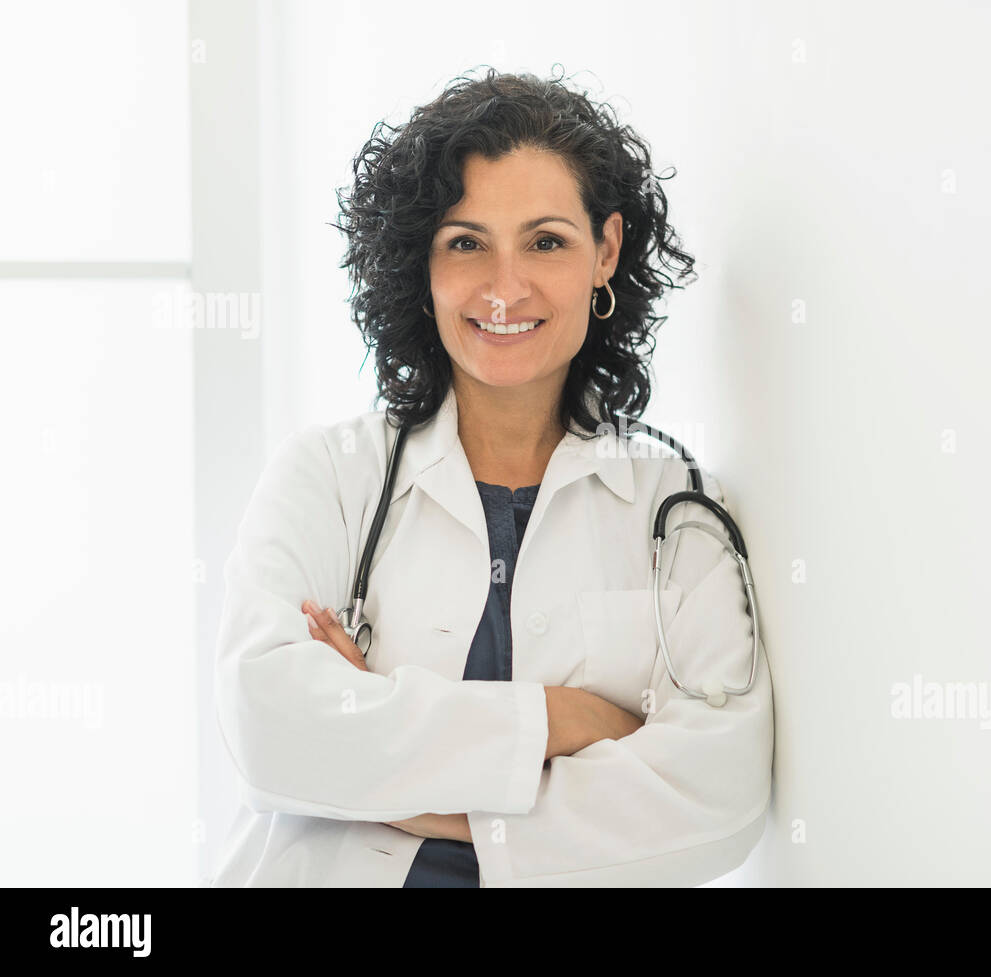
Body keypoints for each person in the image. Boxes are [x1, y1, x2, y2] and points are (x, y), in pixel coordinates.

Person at [210, 67, 774, 887]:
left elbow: (716, 797)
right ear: (424, 264)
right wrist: (566, 719)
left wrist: (394, 780)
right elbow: (271, 729)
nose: (504, 287)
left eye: (546, 241)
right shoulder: (329, 477)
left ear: (605, 251)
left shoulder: (676, 508)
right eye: (466, 242)